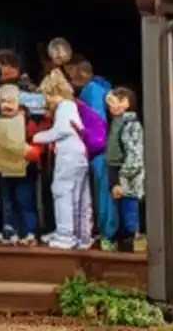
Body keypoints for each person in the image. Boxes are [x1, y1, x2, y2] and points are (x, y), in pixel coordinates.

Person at [33, 71, 92, 250]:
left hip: (69, 156)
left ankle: (65, 235)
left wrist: (37, 137)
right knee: (79, 196)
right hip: (78, 155)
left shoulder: (65, 106)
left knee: (62, 193)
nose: (46, 101)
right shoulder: (72, 105)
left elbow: (61, 131)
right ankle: (82, 235)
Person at [67, 59, 116, 249]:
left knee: (102, 193)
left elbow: (96, 123)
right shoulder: (101, 89)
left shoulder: (92, 91)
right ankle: (105, 232)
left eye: (72, 72)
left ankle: (107, 233)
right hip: (101, 149)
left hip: (98, 150)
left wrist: (87, 141)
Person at [0, 83, 41, 246]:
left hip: (26, 169)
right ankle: (11, 229)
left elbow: (37, 143)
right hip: (5, 168)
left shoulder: (28, 123)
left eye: (10, 101)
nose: (6, 105)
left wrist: (32, 151)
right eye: (3, 102)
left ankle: (29, 231)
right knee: (8, 199)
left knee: (25, 199)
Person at [106, 87, 144, 253]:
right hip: (115, 170)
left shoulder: (132, 125)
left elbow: (135, 156)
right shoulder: (115, 122)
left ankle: (130, 245)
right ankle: (121, 243)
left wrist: (122, 180)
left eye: (120, 101)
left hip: (128, 177)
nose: (114, 106)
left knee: (129, 211)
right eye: (112, 103)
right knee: (118, 212)